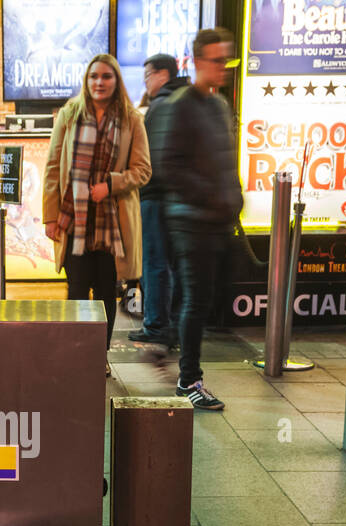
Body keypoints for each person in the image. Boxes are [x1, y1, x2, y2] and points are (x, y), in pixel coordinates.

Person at [148, 28, 242, 412]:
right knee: (196, 300)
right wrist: (212, 196)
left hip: (217, 219)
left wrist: (233, 197)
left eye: (228, 61)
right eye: (218, 61)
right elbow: (167, 164)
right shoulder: (181, 105)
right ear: (198, 61)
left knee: (202, 300)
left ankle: (173, 350)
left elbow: (224, 159)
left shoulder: (218, 106)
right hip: (191, 222)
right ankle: (189, 380)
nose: (224, 68)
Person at [43, 54, 152, 376]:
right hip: (73, 219)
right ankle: (76, 351)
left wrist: (111, 184)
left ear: (116, 81)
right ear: (86, 80)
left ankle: (99, 355)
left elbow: (143, 170)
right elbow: (52, 167)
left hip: (113, 223)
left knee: (105, 292)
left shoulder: (132, 119)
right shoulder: (69, 114)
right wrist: (50, 216)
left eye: (106, 77)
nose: (99, 83)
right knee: (76, 290)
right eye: (93, 77)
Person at [129, 54, 189, 348]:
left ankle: (155, 326)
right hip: (179, 199)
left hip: (155, 196)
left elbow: (151, 158)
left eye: (148, 75)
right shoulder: (185, 101)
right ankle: (174, 324)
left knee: (154, 262)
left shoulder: (162, 106)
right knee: (174, 266)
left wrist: (144, 187)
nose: (146, 82)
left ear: (162, 74)